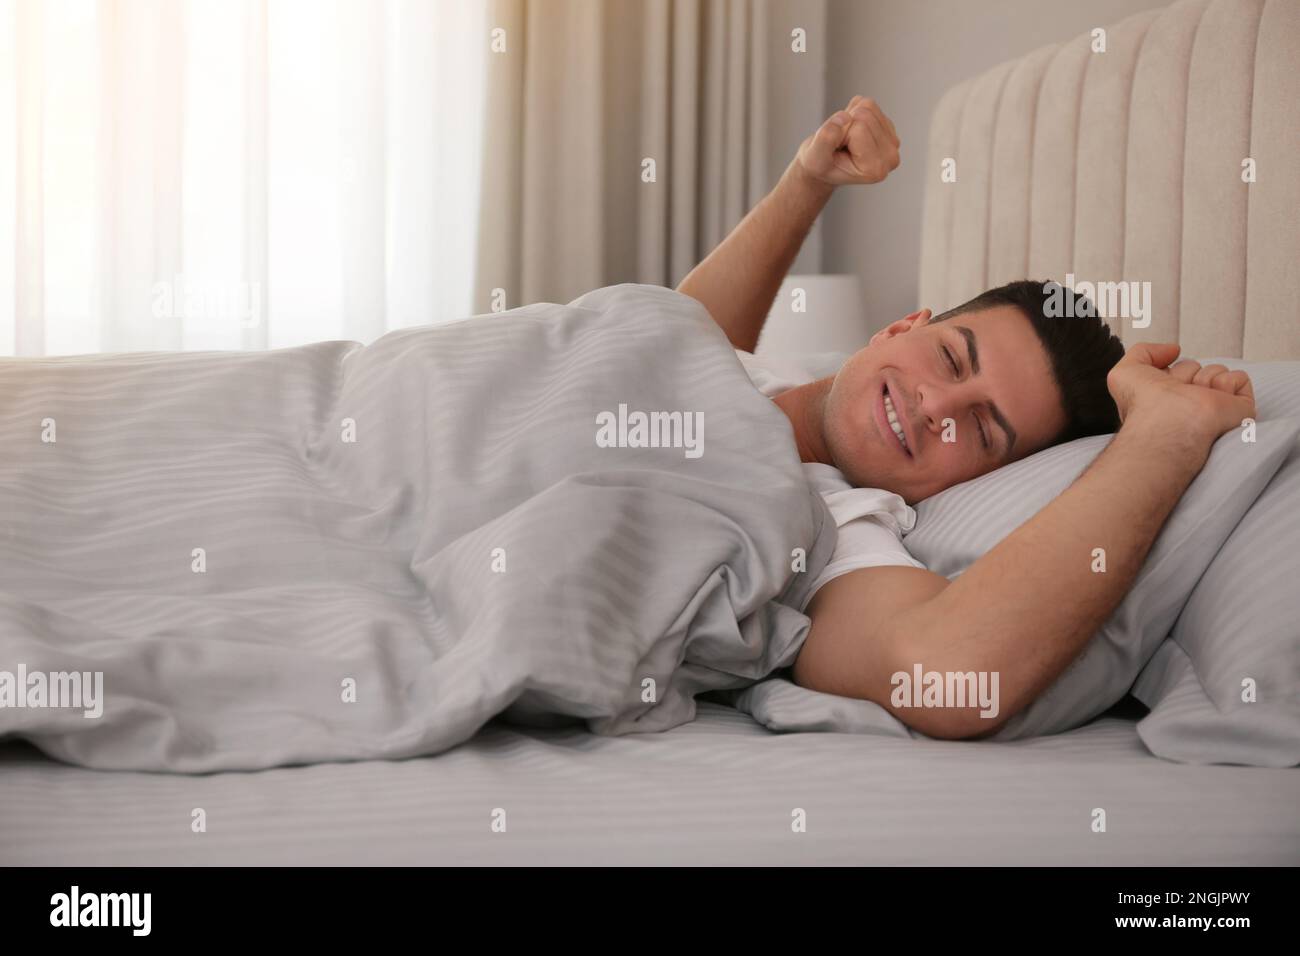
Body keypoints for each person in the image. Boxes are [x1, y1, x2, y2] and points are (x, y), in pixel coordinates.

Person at [676, 96, 1256, 739]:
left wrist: (1164, 435)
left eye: (981, 432)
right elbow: (681, 337)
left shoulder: (831, 531)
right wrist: (808, 181)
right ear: (901, 327)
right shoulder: (732, 370)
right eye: (951, 359)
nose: (937, 408)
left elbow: (943, 673)